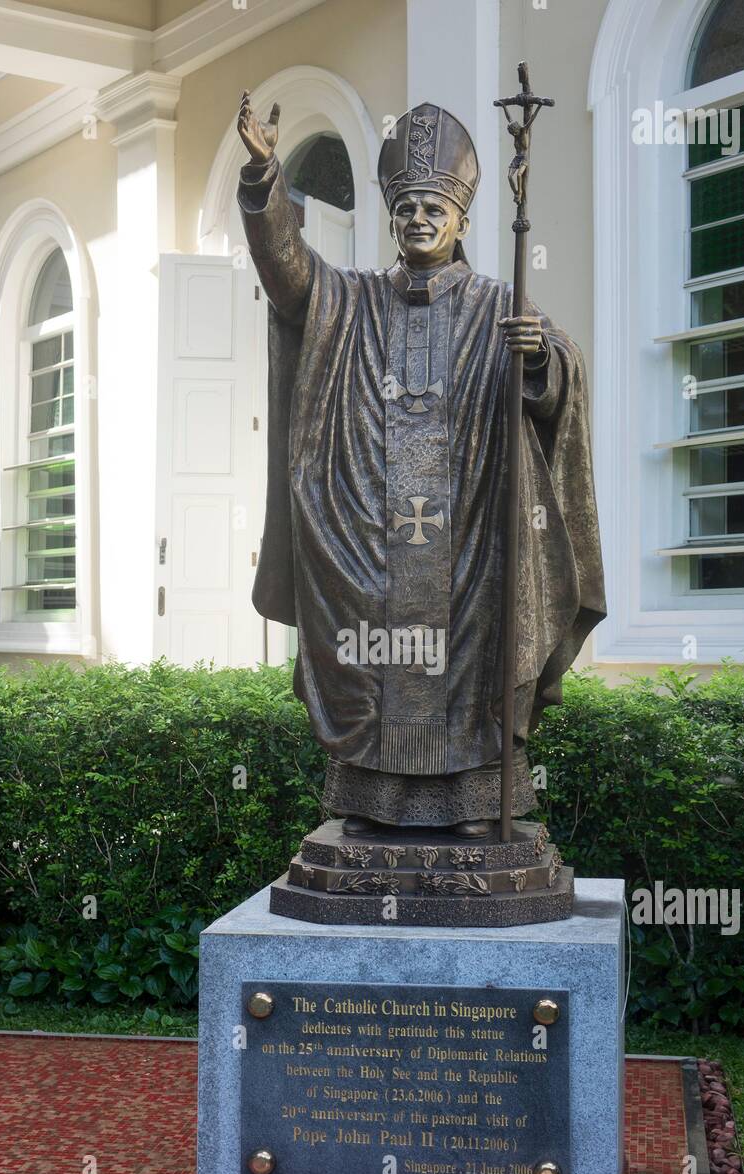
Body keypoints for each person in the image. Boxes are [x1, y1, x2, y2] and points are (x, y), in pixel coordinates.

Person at [236, 93, 605, 838]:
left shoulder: (502, 306)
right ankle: (369, 805)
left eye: (435, 207)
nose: (420, 220)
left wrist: (541, 360)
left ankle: (477, 808)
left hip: (471, 535)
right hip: (370, 537)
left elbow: (557, 388)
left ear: (463, 220)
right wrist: (264, 176)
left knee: (471, 666)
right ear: (393, 221)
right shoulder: (353, 300)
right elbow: (288, 273)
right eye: (406, 209)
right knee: (371, 663)